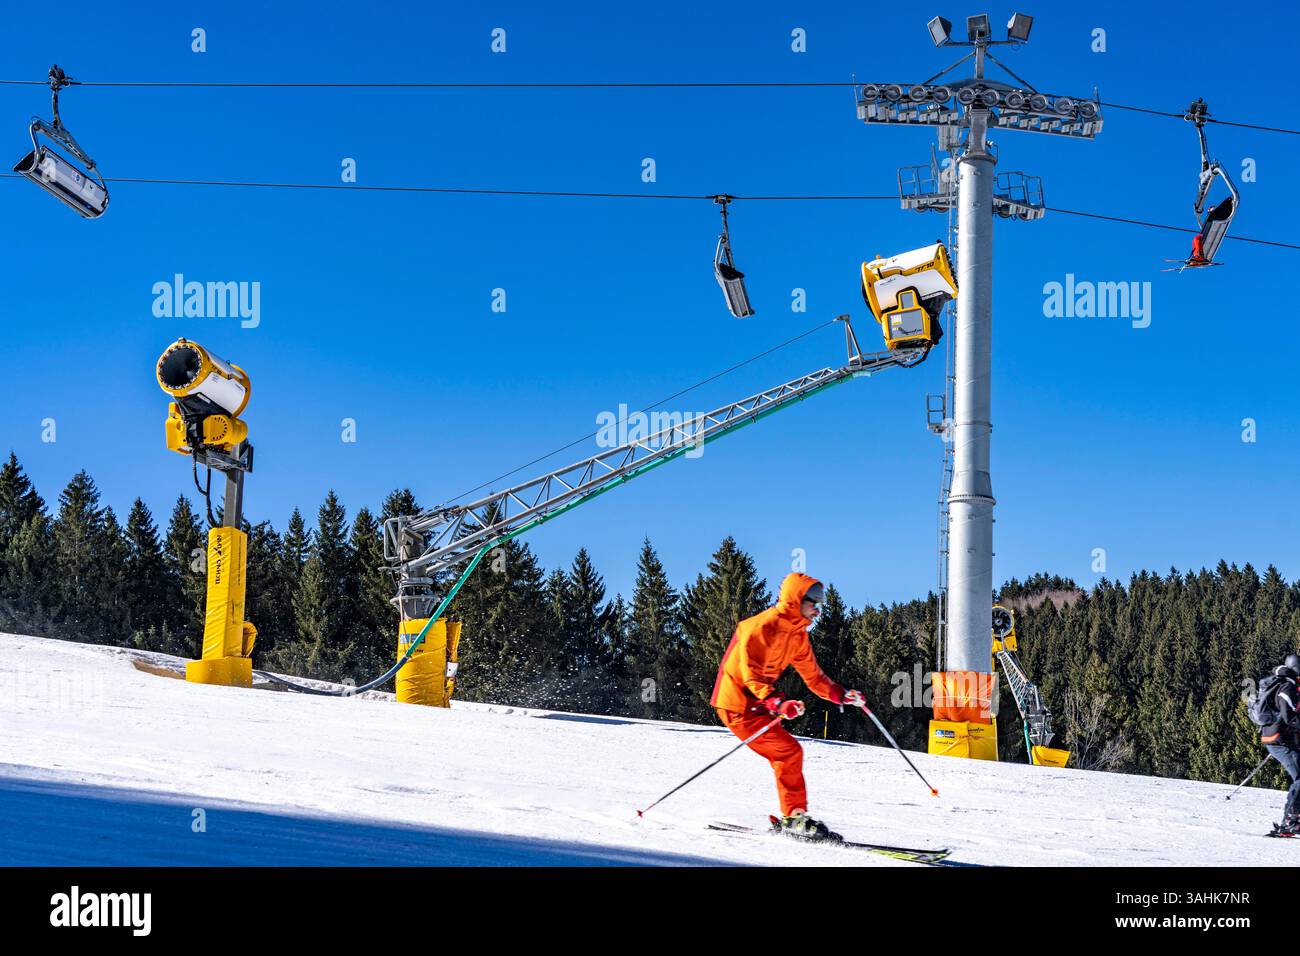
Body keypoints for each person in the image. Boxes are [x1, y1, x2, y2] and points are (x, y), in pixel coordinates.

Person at [709, 572, 865, 840]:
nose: (818, 610)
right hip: (737, 704)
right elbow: (752, 676)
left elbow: (815, 678)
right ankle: (793, 818)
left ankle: (792, 816)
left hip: (759, 705)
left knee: (787, 754)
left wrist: (841, 695)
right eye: (814, 603)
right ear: (796, 600)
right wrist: (779, 703)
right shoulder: (760, 627)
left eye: (820, 603)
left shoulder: (798, 636)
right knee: (788, 752)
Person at [1256, 653, 1300, 836]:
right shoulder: (1287, 687)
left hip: (1279, 738)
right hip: (1278, 739)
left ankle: (1292, 821)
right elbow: (1289, 716)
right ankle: (1290, 821)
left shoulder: (1286, 684)